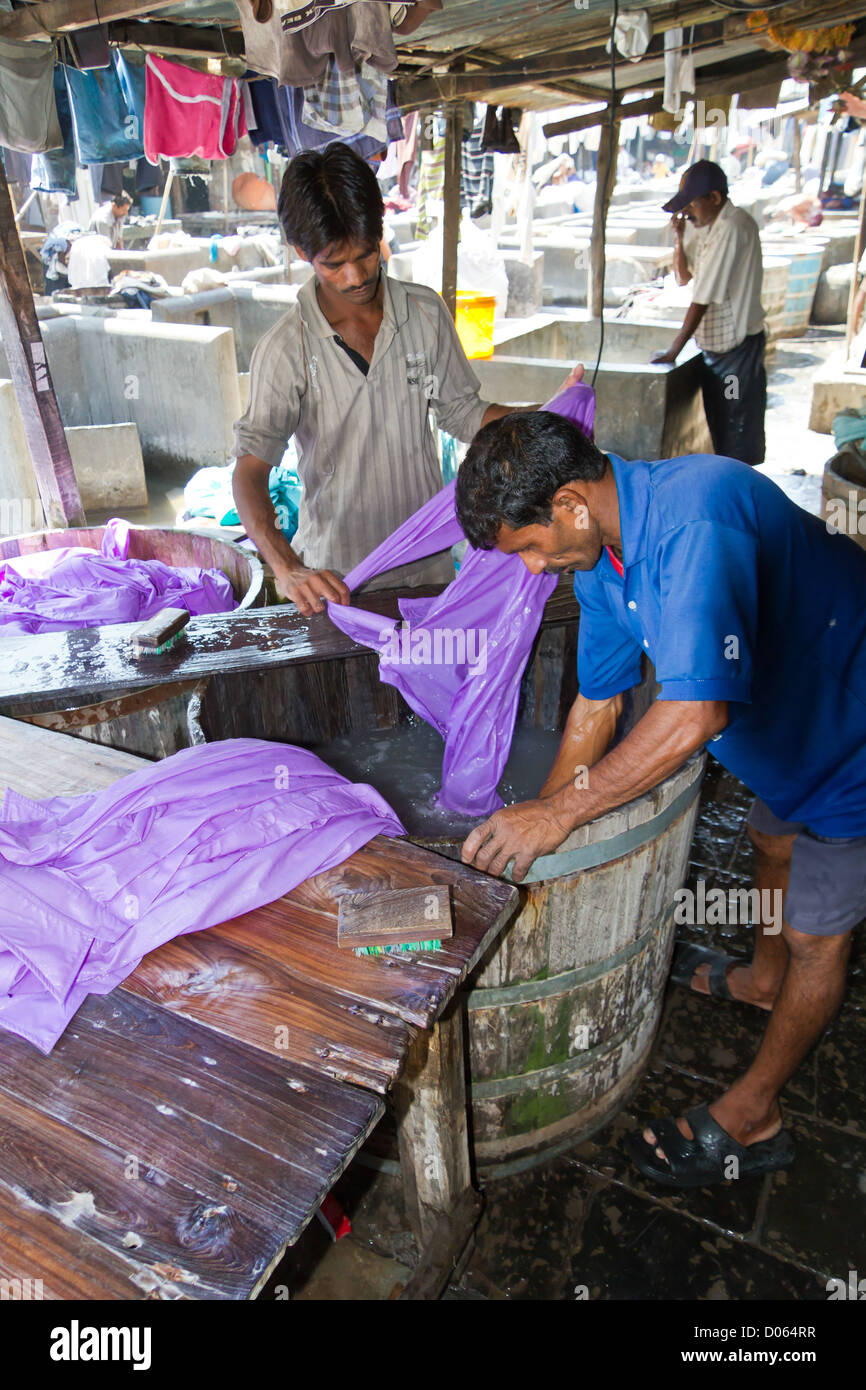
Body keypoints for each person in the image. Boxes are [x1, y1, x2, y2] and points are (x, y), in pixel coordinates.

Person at [455, 409, 866, 1189]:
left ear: (570, 503)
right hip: (785, 726)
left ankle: (757, 1115)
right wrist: (529, 851)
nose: (534, 570)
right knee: (773, 842)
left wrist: (562, 814)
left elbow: (696, 712)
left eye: (531, 548)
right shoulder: (603, 560)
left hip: (852, 727)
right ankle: (761, 981)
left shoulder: (697, 518)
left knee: (820, 935)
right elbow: (596, 707)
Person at [232, 141, 579, 616]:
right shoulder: (286, 348)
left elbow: (464, 414)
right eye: (334, 263)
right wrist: (287, 567)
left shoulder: (424, 313)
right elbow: (251, 472)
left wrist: (546, 414)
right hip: (338, 581)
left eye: (366, 253)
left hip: (428, 573)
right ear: (301, 252)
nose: (355, 276)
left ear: (380, 233)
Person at [651, 159, 767, 466]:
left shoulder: (731, 226)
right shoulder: (711, 226)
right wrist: (679, 237)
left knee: (736, 434)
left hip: (736, 354)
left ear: (714, 198)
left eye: (691, 204)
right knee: (724, 431)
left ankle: (742, 502)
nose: (687, 213)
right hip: (718, 351)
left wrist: (674, 349)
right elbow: (684, 278)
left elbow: (701, 298)